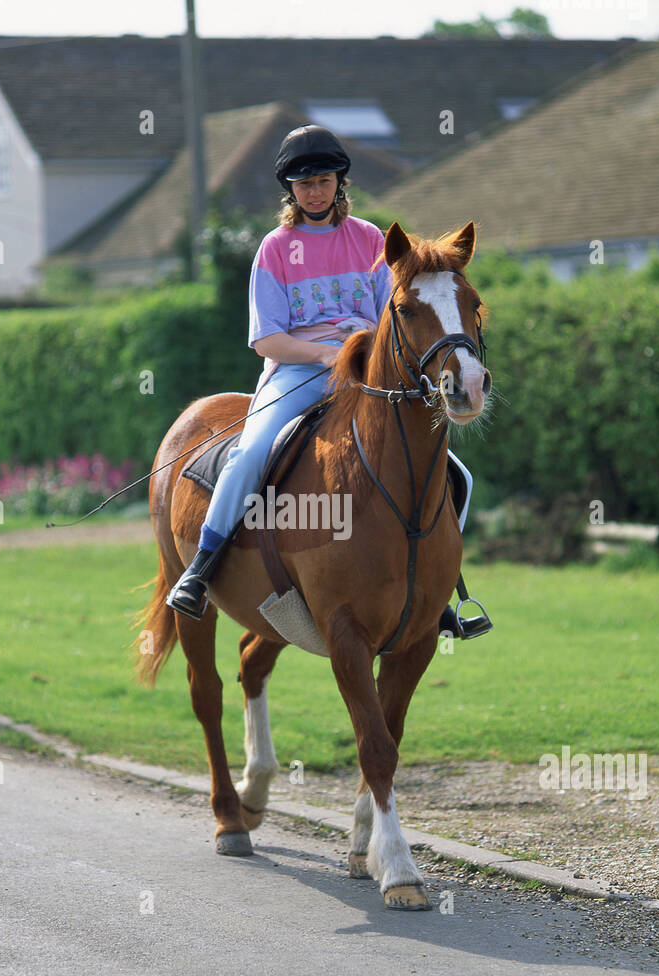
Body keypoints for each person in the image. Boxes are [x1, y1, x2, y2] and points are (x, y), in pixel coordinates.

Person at [166, 125, 489, 641]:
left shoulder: (371, 240)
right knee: (250, 454)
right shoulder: (274, 249)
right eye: (303, 183)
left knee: (457, 475)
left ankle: (439, 590)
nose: (314, 191)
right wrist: (323, 352)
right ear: (290, 191)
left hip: (365, 376)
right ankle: (201, 567)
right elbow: (265, 341)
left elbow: (398, 318)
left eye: (323, 180)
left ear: (339, 182)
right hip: (295, 374)